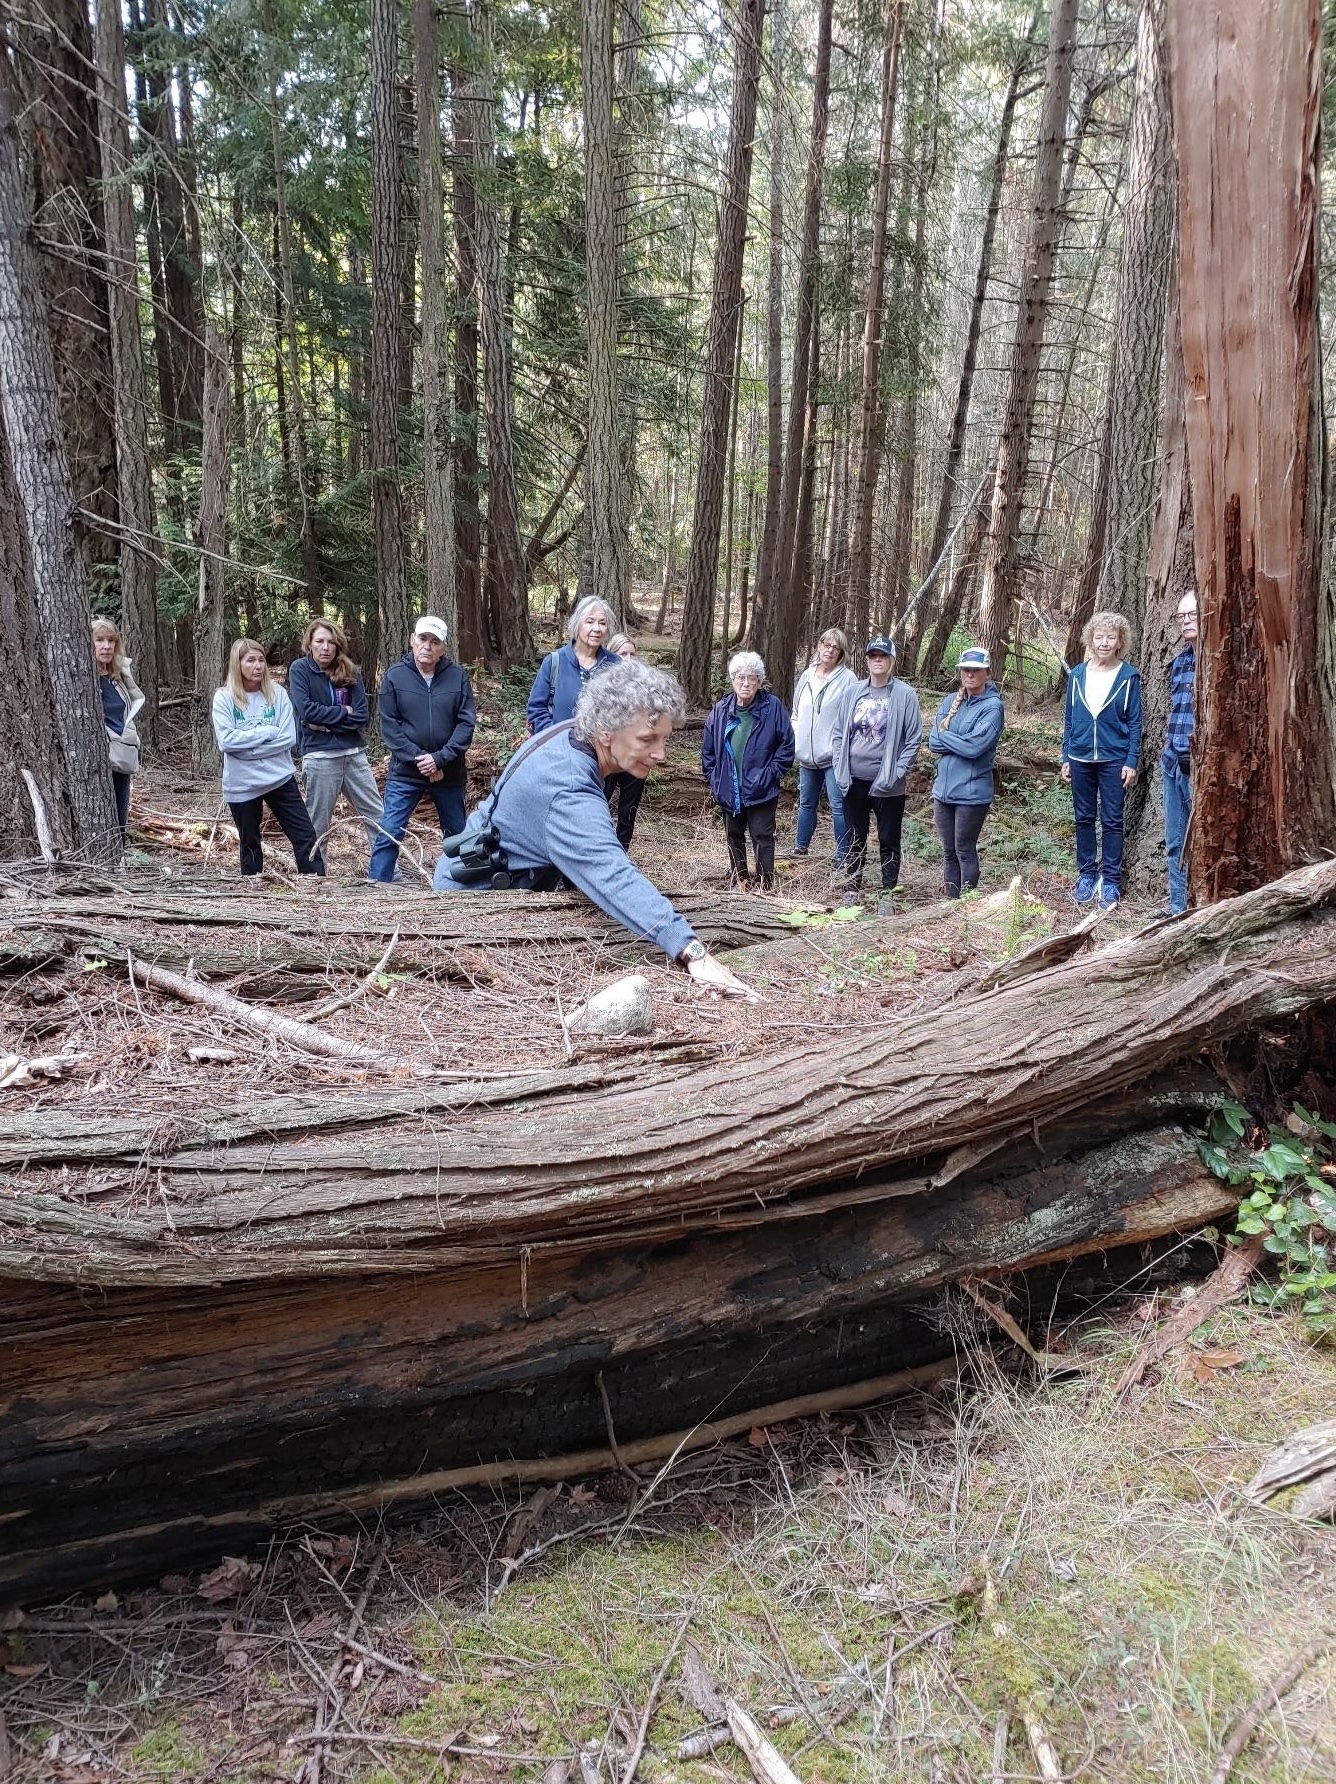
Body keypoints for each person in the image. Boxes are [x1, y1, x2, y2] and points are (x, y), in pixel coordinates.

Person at [433, 660, 755, 998]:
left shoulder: (571, 732)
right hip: (471, 913)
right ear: (606, 731)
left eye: (664, 739)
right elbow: (610, 873)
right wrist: (690, 950)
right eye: (647, 739)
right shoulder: (568, 789)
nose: (660, 753)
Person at [371, 616, 476, 884]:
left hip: (449, 771)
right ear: (412, 640)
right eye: (422, 639)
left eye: (435, 641)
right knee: (390, 831)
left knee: (456, 834)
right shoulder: (395, 676)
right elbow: (390, 727)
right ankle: (376, 889)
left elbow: (465, 724)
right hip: (406, 771)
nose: (427, 646)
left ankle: (461, 888)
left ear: (443, 648)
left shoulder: (458, 678)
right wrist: (422, 761)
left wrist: (440, 759)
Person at [211, 639, 324, 877]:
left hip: (279, 778)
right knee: (250, 844)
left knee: (305, 836)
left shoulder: (278, 694)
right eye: (250, 660)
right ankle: (253, 894)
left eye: (261, 659)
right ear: (237, 664)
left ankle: (316, 885)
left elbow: (288, 738)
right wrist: (265, 732)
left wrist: (248, 750)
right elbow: (226, 742)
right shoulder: (224, 698)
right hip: (242, 784)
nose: (258, 666)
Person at [831, 635, 923, 905]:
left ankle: (887, 893)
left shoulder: (905, 695)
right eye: (873, 656)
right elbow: (838, 734)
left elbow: (913, 739)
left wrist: (896, 773)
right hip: (853, 779)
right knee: (854, 836)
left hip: (888, 784)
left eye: (883, 656)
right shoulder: (853, 692)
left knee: (888, 839)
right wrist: (839, 769)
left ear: (892, 661)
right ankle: (852, 888)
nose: (878, 660)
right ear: (867, 660)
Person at [1061, 609, 1143, 910]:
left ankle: (1110, 880)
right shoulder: (1078, 675)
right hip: (1080, 757)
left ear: (1120, 641)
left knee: (1111, 820)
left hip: (1113, 759)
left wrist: (1131, 760)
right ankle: (1086, 874)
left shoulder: (1128, 676)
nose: (1104, 642)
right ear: (1090, 640)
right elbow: (1069, 719)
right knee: (1083, 818)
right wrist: (1065, 755)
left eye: (1111, 637)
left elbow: (1135, 722)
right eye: (1099, 637)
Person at [288, 616, 383, 868]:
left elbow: (362, 715)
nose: (325, 647)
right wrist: (344, 713)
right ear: (309, 643)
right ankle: (316, 875)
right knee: (318, 822)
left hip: (354, 754)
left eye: (331, 642)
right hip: (319, 756)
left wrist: (327, 721)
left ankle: (386, 870)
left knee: (376, 815)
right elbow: (307, 712)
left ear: (338, 644)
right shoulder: (300, 670)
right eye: (319, 641)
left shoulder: (349, 671)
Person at [701, 651, 795, 892]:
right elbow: (708, 752)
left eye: (752, 678)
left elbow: (786, 746)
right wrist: (715, 779)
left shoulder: (772, 707)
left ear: (759, 681)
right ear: (733, 679)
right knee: (734, 836)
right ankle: (739, 881)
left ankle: (765, 885)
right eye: (740, 677)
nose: (746, 683)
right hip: (729, 789)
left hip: (762, 789)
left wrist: (771, 774)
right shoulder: (721, 710)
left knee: (762, 837)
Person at [928, 645, 1005, 898]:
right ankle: (950, 904)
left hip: (972, 793)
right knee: (949, 851)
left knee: (964, 849)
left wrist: (946, 737)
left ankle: (968, 903)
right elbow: (932, 742)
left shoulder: (993, 707)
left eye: (976, 670)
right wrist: (955, 741)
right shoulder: (951, 701)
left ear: (987, 673)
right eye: (965, 670)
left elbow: (975, 748)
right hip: (944, 791)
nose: (970, 675)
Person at [791, 627, 855, 863]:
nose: (829, 650)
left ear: (841, 653)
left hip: (833, 756)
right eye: (826, 644)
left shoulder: (848, 679)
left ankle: (843, 855)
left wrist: (841, 747)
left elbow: (852, 717)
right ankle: (800, 848)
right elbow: (796, 712)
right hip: (807, 755)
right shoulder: (807, 675)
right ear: (819, 646)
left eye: (835, 647)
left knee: (838, 806)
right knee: (806, 803)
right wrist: (796, 736)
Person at [526, 597, 620, 733]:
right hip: (560, 749)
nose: (597, 628)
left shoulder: (615, 664)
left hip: (603, 751)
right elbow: (536, 710)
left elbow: (626, 710)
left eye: (602, 623)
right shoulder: (554, 662)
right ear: (578, 624)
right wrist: (557, 739)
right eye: (590, 622)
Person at [91, 616, 144, 843]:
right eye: (99, 640)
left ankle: (118, 861)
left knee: (119, 817)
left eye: (111, 640)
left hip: (121, 758)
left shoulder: (119, 676)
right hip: (97, 759)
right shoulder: (84, 678)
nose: (106, 646)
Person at [1161, 591, 1198, 917]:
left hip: (1203, 765)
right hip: (1173, 759)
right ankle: (1178, 909)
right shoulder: (1181, 661)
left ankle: (1205, 907)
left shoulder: (1219, 658)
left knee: (1204, 838)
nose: (1186, 621)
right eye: (1181, 617)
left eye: (1192, 615)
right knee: (1175, 841)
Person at [602, 633, 645, 849]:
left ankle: (622, 854)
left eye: (632, 654)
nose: (628, 658)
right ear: (611, 654)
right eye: (622, 653)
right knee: (599, 804)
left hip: (634, 757)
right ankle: (598, 850)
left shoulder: (644, 685)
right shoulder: (600, 683)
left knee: (628, 812)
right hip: (607, 756)